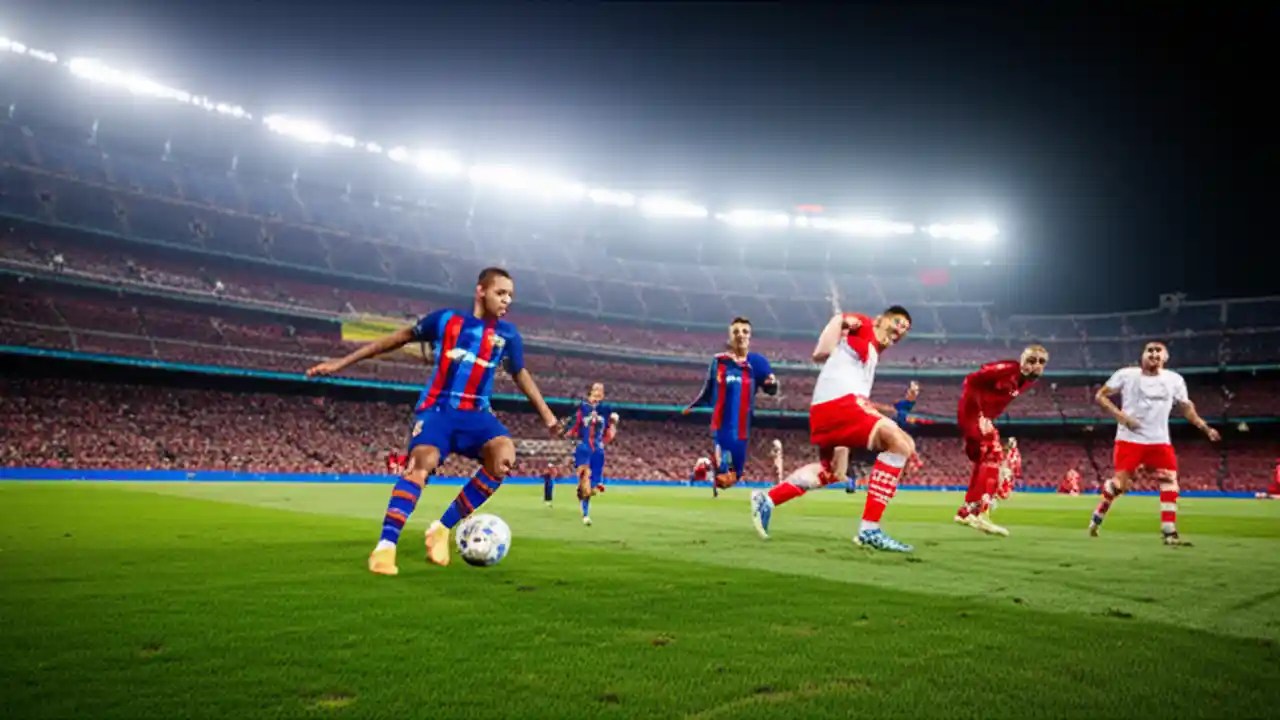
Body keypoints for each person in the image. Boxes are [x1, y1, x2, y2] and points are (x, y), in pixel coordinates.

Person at [306, 266, 559, 574]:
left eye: (510, 295)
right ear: (480, 291)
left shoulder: (508, 335)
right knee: (420, 465)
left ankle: (441, 528)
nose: (507, 300)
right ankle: (385, 548)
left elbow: (520, 373)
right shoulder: (446, 320)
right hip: (438, 410)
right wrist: (342, 362)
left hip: (477, 414)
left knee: (503, 456)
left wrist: (547, 415)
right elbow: (398, 338)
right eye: (500, 293)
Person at [749, 307, 916, 552]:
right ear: (881, 319)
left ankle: (768, 499)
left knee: (833, 471)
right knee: (901, 444)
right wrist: (823, 349)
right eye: (898, 322)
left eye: (905, 329)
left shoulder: (870, 353)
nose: (900, 330)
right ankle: (870, 530)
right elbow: (841, 319)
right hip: (839, 403)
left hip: (829, 408)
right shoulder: (866, 325)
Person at [1090, 341, 1220, 544]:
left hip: (1159, 440)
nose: (1154, 354)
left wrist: (1205, 427)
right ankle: (1098, 514)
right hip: (1129, 439)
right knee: (1120, 486)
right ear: (1142, 355)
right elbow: (1101, 396)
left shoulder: (1174, 380)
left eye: (1159, 351)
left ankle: (1169, 531)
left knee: (1169, 480)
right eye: (1149, 350)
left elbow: (1186, 407)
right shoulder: (1126, 375)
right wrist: (1121, 417)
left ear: (1165, 357)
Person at [953, 346, 1050, 536]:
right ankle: (982, 513)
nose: (1036, 366)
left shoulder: (1026, 382)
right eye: (1031, 360)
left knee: (983, 460)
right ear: (1022, 360)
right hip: (973, 413)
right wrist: (980, 414)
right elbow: (971, 380)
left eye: (1041, 362)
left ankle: (966, 512)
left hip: (982, 417)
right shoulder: (1007, 370)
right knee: (994, 454)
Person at [682, 317, 778, 495]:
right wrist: (694, 405)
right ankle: (713, 465)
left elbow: (770, 388)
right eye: (736, 332)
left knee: (730, 480)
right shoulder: (719, 362)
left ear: (750, 336)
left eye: (745, 332)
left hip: (743, 428)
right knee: (724, 472)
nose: (740, 335)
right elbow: (709, 389)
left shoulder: (757, 362)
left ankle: (706, 465)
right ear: (730, 336)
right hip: (722, 426)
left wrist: (772, 384)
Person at [563, 382, 618, 526]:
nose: (598, 393)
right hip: (584, 448)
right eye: (595, 390)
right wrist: (568, 430)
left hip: (598, 450)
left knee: (590, 490)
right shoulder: (582, 408)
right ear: (590, 393)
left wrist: (613, 424)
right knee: (584, 479)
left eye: (601, 391)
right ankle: (585, 513)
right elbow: (573, 426)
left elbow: (610, 433)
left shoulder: (606, 410)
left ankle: (591, 489)